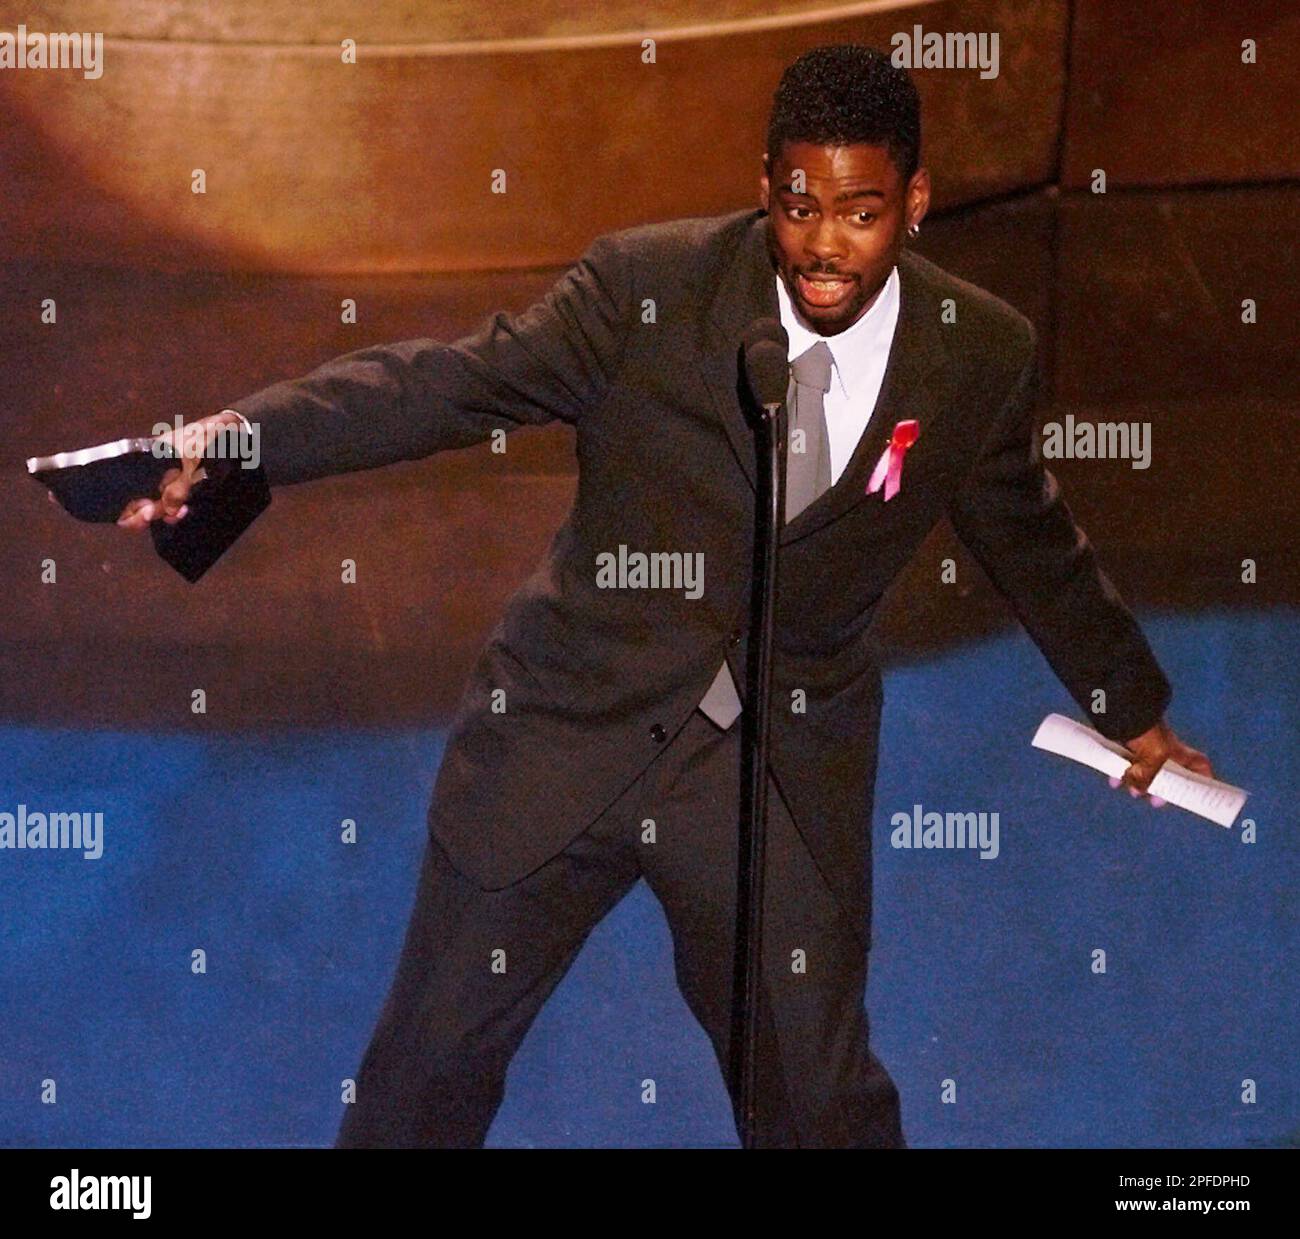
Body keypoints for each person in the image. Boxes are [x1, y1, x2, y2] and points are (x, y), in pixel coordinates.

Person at [114, 45, 1213, 1147]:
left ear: (914, 201)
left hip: (774, 774)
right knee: (420, 1091)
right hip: (563, 734)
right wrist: (241, 439)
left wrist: (1133, 713)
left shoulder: (977, 353)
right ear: (766, 185)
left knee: (820, 1110)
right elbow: (445, 386)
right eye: (796, 205)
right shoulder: (647, 289)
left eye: (860, 211)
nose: (823, 243)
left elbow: (1031, 539)